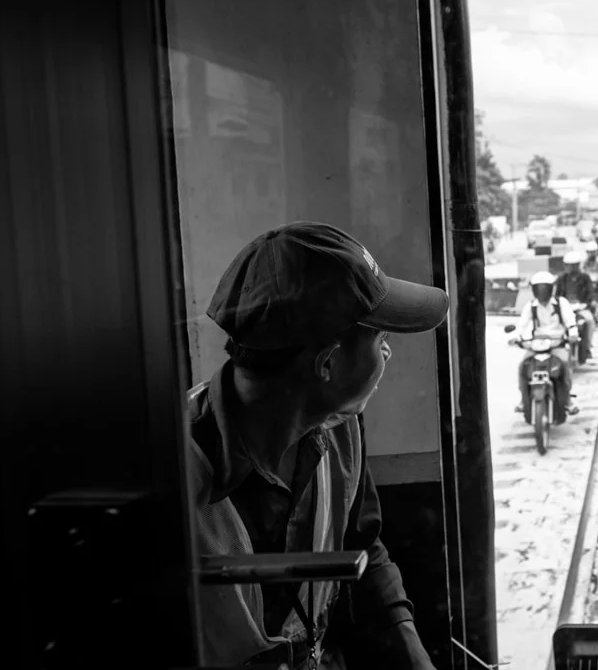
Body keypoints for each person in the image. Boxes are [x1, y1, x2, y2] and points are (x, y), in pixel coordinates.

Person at [187, 221, 448, 670]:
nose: (387, 354)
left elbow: (361, 548)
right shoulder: (177, 472)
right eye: (380, 338)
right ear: (327, 362)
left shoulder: (341, 426)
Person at [512, 271, 580, 416]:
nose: (542, 292)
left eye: (545, 288)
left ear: (551, 288)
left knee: (564, 365)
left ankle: (567, 400)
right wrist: (516, 337)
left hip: (557, 343)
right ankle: (524, 400)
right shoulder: (530, 306)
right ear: (534, 290)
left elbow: (570, 321)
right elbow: (521, 325)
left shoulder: (561, 303)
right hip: (537, 344)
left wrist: (573, 334)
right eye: (539, 288)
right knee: (523, 366)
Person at [556, 250, 596, 361]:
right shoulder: (561, 279)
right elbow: (557, 295)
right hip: (565, 308)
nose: (569, 268)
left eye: (572, 266)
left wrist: (587, 303)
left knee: (589, 321)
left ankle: (587, 347)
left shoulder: (585, 278)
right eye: (567, 265)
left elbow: (590, 292)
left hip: (581, 307)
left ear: (577, 266)